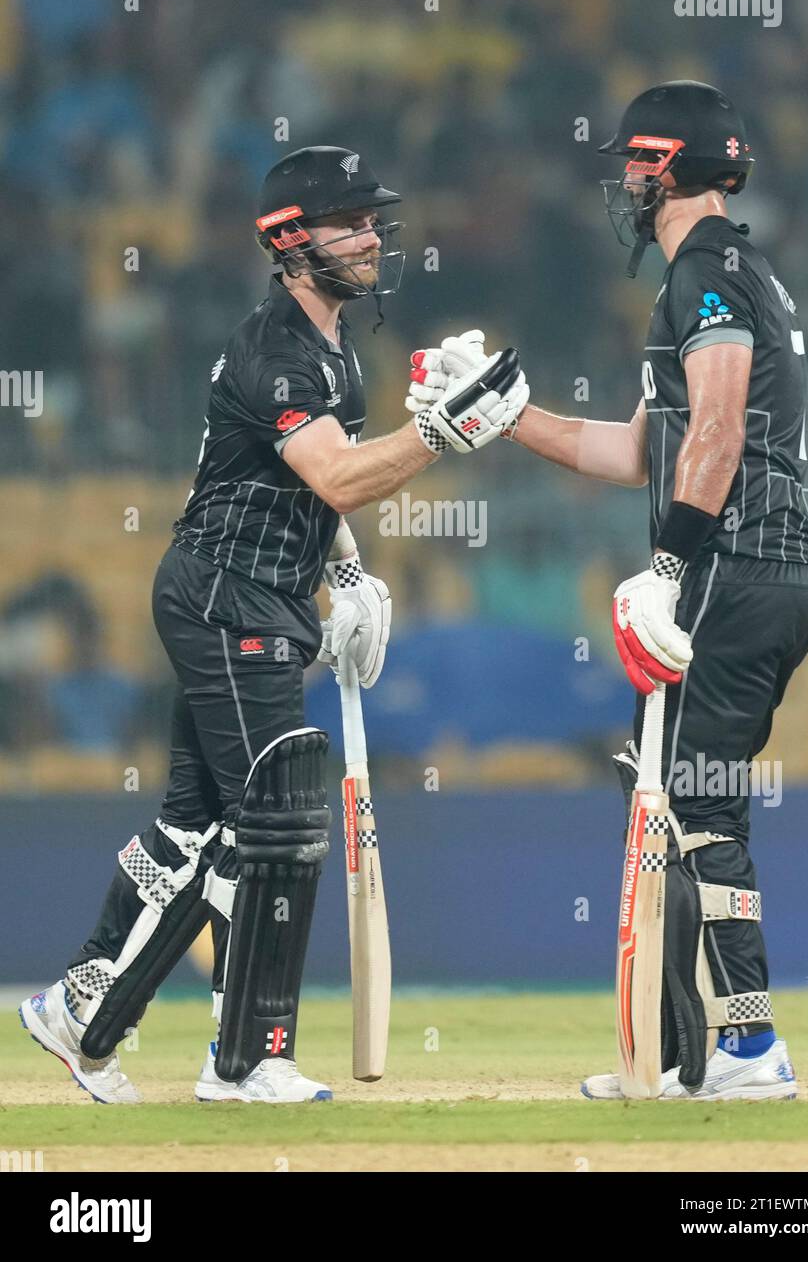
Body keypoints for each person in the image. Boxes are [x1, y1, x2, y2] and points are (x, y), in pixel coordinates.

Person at [19, 145, 528, 1104]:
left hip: (257, 597)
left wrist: (353, 577)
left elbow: (318, 497)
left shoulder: (333, 351)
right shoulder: (277, 348)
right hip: (227, 593)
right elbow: (338, 474)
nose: (373, 236)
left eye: (374, 220)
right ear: (292, 241)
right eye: (352, 221)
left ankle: (84, 1005)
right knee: (281, 808)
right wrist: (444, 434)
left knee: (198, 827)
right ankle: (248, 1057)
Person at [408, 82, 808, 1101]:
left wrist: (672, 565)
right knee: (687, 794)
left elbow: (720, 428)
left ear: (667, 168)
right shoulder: (723, 272)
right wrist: (509, 416)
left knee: (689, 796)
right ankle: (693, 1054)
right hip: (770, 561)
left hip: (738, 556)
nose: (625, 187)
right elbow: (640, 450)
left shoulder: (707, 265)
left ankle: (742, 1049)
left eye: (635, 167)